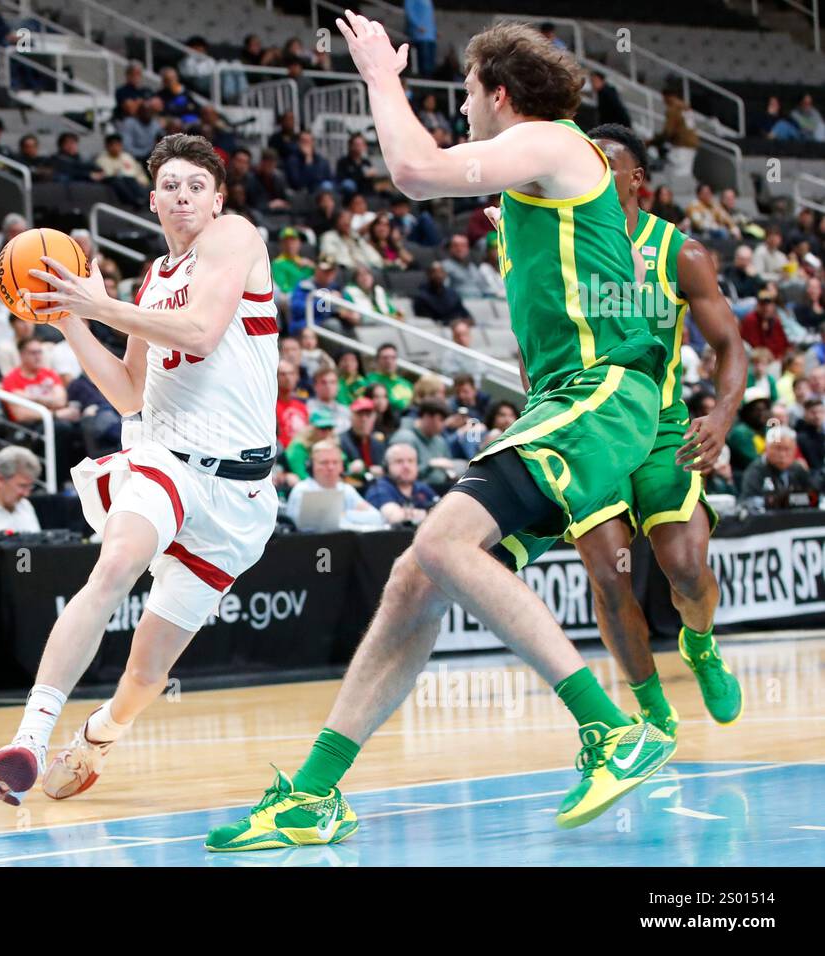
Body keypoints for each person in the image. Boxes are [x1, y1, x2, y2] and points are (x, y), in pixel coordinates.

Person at [212, 16, 677, 851]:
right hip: (573, 401)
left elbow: (415, 172)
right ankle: (312, 795)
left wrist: (378, 77)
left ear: (500, 95)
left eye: (464, 93)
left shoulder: (556, 143)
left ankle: (612, 729)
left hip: (603, 396)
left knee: (442, 544)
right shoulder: (541, 178)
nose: (460, 107)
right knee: (413, 579)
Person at [0, 133, 280, 806]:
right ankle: (29, 737)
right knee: (113, 567)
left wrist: (101, 307)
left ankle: (98, 736)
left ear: (218, 200)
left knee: (146, 673)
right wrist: (72, 326)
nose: (183, 196)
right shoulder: (153, 279)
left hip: (239, 497)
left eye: (195, 186)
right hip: (166, 458)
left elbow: (203, 333)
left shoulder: (235, 239)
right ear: (152, 201)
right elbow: (128, 394)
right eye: (170, 186)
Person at [488, 124, 748, 742]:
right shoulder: (555, 241)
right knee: (609, 577)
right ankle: (652, 710)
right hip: (586, 429)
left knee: (685, 569)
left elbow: (730, 345)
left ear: (636, 181)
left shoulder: (679, 253)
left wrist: (721, 416)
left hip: (659, 427)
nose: (589, 170)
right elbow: (532, 332)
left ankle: (701, 643)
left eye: (607, 164)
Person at [283, 439, 384, 528]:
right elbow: (301, 525)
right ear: (311, 465)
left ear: (342, 466)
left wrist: (344, 515)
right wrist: (350, 516)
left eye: (335, 462)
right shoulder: (302, 490)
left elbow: (377, 518)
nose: (331, 467)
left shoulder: (346, 489)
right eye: (324, 462)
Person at [364, 441, 439, 524]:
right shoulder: (378, 488)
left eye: (411, 461)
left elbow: (444, 510)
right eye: (399, 461)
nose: (406, 466)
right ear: (386, 467)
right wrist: (430, 513)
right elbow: (394, 517)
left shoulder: (421, 487)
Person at [739, 426, 816, 504]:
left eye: (787, 449)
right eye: (778, 448)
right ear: (766, 448)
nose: (782, 454)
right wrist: (780, 501)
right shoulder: (755, 471)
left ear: (794, 450)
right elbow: (749, 501)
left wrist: (788, 501)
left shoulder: (798, 469)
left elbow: (813, 498)